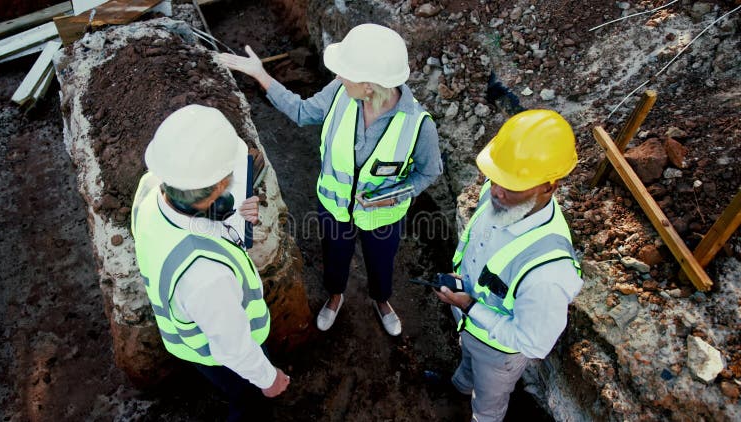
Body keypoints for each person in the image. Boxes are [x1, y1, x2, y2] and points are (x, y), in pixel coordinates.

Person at [219, 23, 442, 336]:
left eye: (345, 72)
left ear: (369, 86)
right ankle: (335, 297)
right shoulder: (339, 93)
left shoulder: (419, 126)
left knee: (381, 263)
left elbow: (428, 172)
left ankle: (382, 301)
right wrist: (261, 74)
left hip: (383, 217)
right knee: (335, 258)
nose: (338, 76)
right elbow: (300, 111)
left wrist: (398, 194)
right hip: (334, 209)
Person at [130, 105, 290, 421]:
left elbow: (191, 229)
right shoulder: (206, 275)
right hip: (225, 355)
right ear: (218, 188)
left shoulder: (150, 190)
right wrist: (268, 379)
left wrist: (229, 219)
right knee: (249, 404)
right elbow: (234, 348)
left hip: (192, 338)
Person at [433, 109, 584, 422]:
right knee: (467, 362)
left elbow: (533, 343)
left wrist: (470, 306)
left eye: (511, 186)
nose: (495, 191)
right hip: (468, 323)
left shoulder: (548, 275)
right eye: (496, 179)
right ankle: (459, 388)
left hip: (497, 352)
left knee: (488, 405)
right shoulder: (502, 195)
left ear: (549, 186)